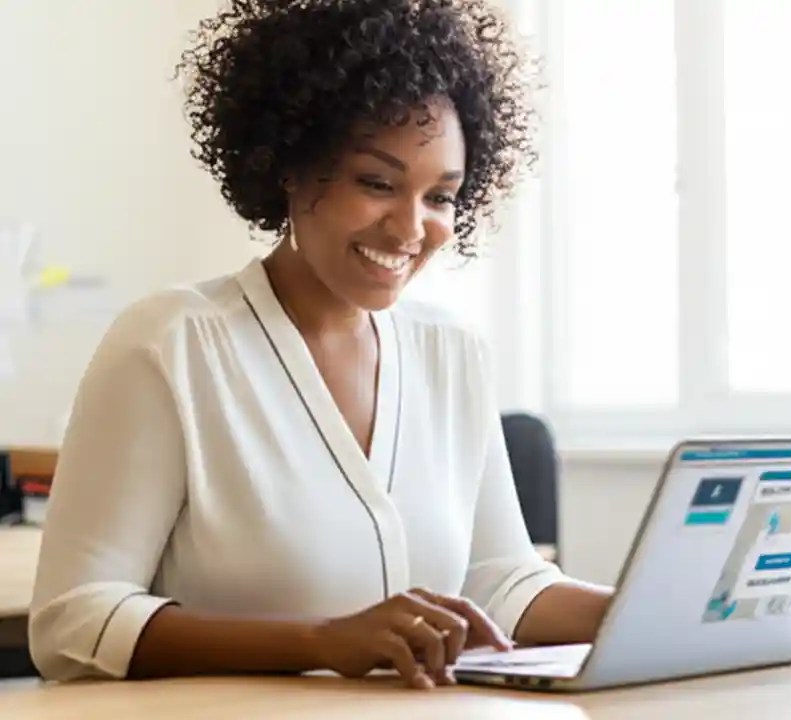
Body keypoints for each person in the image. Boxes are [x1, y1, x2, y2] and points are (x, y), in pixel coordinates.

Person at [28, 0, 611, 689]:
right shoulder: (172, 345)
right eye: (376, 183)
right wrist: (321, 642)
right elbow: (72, 624)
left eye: (440, 197)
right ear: (289, 167)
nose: (410, 228)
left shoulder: (451, 354)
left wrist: (655, 612)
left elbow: (500, 582)